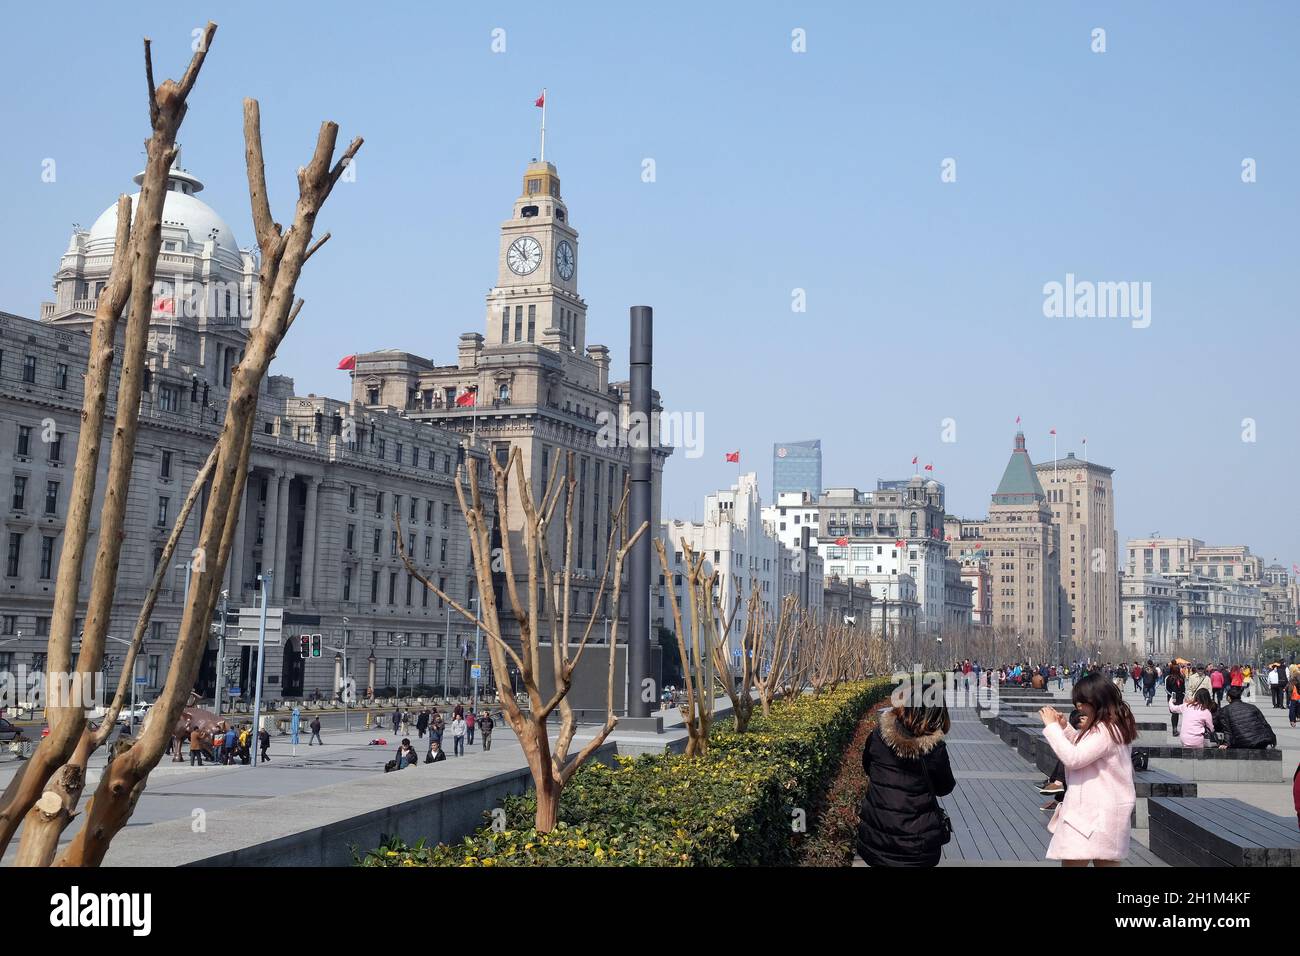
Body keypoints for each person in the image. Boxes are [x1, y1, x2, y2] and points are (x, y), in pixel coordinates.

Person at [1037, 673, 1138, 867]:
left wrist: (1051, 727)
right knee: (1104, 861)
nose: (1079, 708)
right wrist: (1065, 729)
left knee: (1077, 860)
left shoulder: (1105, 731)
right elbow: (1086, 749)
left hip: (1092, 815)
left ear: (1096, 701)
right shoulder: (1109, 727)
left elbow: (1074, 758)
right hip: (1101, 812)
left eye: (1082, 702)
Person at [855, 693, 956, 867]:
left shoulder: (878, 735)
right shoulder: (934, 749)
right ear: (937, 714)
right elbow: (944, 787)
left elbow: (868, 767)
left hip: (876, 837)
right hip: (918, 846)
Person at [1165, 664, 1185, 735]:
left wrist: (1183, 694)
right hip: (1172, 698)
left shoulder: (1181, 677)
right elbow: (1167, 689)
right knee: (1174, 713)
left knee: (1175, 713)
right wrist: (1172, 694)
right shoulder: (1169, 678)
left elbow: (1183, 688)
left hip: (1179, 698)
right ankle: (1174, 729)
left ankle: (1175, 729)